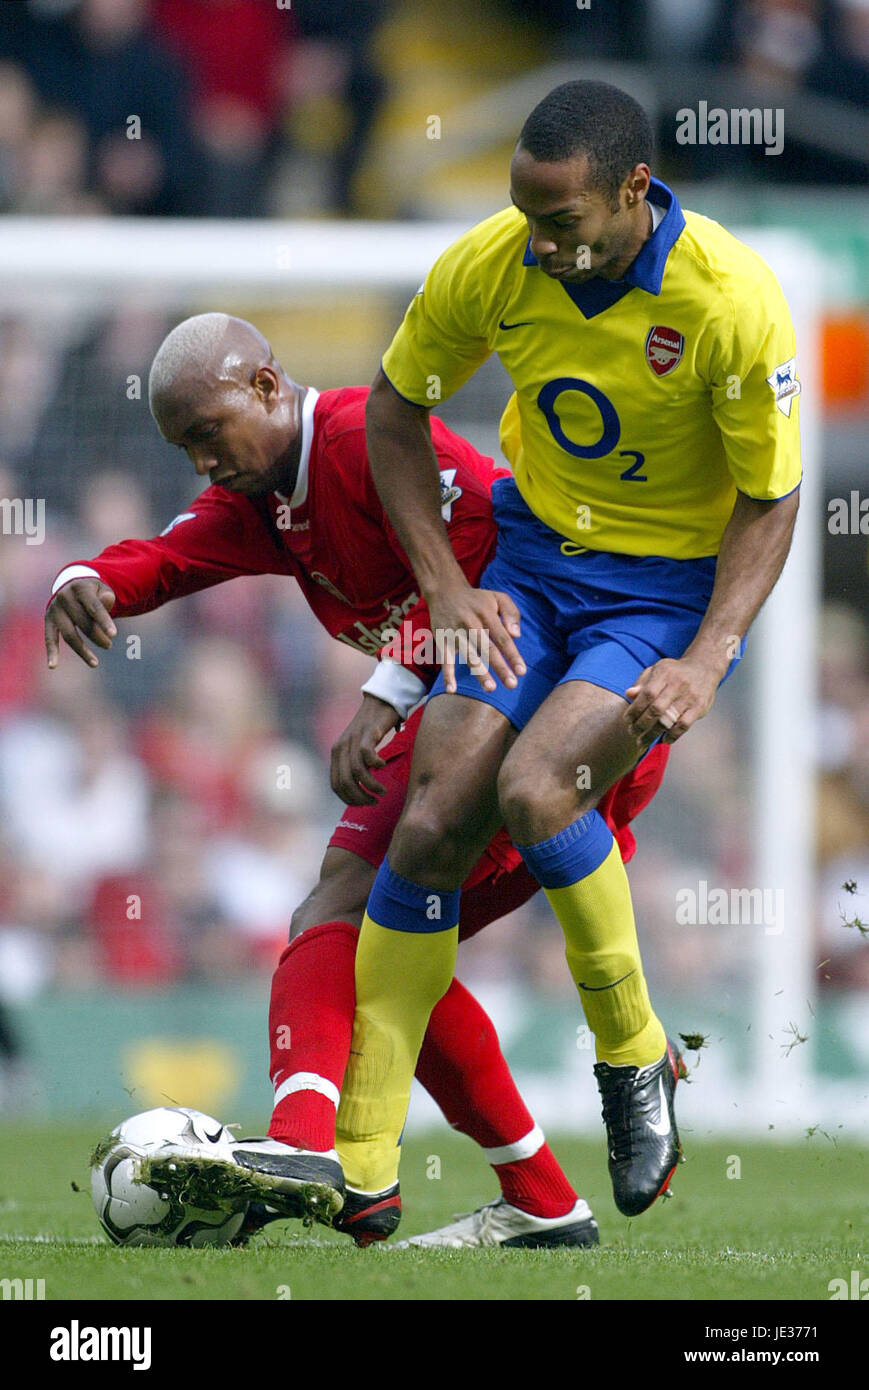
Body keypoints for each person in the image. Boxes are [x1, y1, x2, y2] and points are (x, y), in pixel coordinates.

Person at [45, 312, 668, 1247]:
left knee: (341, 915)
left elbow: (491, 572)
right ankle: (530, 1200)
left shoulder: (363, 440)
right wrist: (84, 576)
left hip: (545, 712)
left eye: (208, 433)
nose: (205, 462)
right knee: (382, 944)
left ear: (265, 386)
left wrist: (386, 690)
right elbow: (171, 553)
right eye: (185, 447)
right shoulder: (266, 493)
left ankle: (319, 1146)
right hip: (471, 716)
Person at [326, 79, 802, 1224]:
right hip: (533, 566)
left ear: (634, 192)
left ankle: (633, 1055)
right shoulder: (493, 263)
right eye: (525, 219)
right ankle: (360, 1162)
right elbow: (392, 410)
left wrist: (709, 651)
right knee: (430, 818)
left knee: (539, 790)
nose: (539, 248)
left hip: (662, 594)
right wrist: (443, 585)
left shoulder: (729, 301)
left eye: (563, 226)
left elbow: (771, 496)